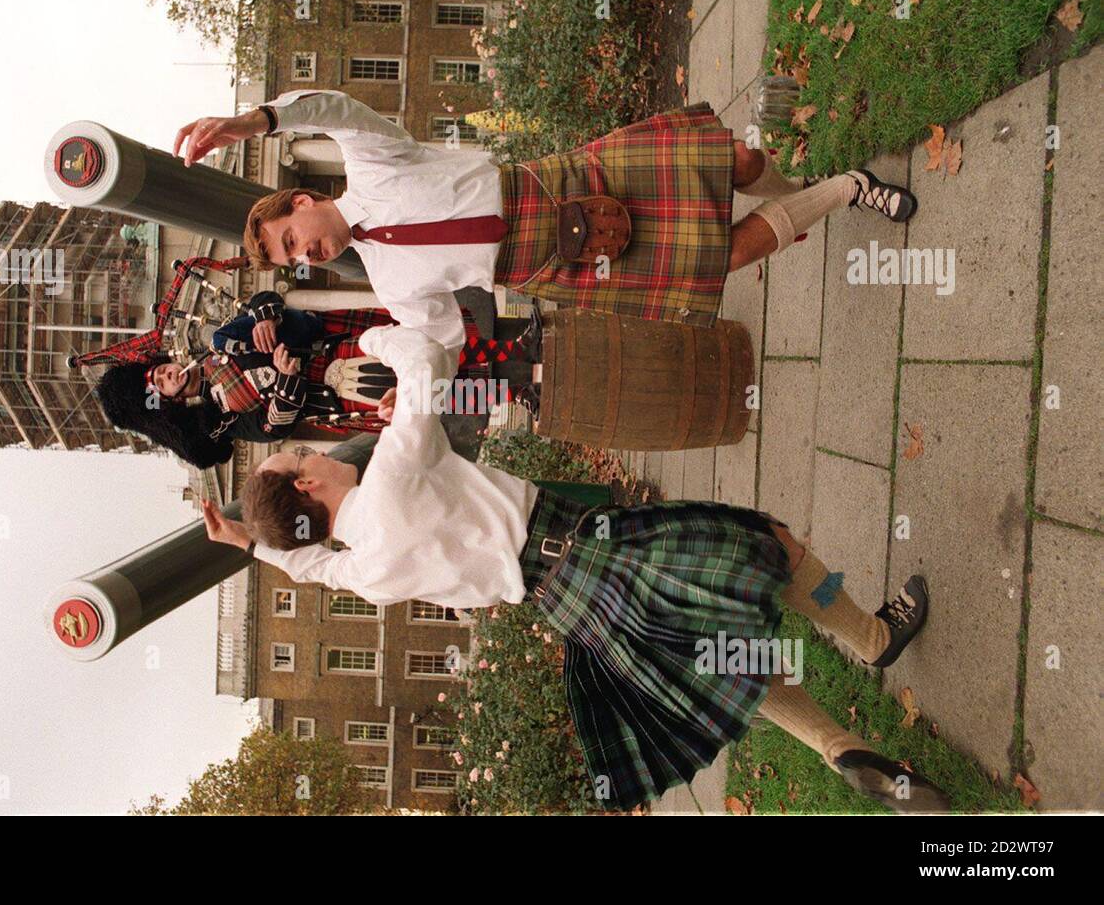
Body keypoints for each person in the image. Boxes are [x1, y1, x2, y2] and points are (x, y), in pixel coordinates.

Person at [200, 322, 947, 813]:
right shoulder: (391, 472)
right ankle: (873, 637)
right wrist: (370, 339)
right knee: (769, 545)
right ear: (305, 486)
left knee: (720, 660)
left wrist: (253, 544)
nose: (319, 451)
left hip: (567, 608)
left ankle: (839, 748)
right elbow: (425, 357)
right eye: (302, 454)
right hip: (592, 547)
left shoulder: (362, 569)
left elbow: (311, 570)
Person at [174, 90, 916, 354]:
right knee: (718, 260)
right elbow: (442, 335)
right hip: (561, 266)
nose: (307, 253)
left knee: (738, 165)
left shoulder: (373, 162)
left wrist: (253, 122)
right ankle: (848, 188)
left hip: (565, 186)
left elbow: (331, 106)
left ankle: (803, 183)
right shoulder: (387, 282)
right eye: (296, 261)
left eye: (294, 240)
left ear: (300, 204)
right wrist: (383, 346)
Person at [94, 291, 542, 467]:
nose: (167, 375)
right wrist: (286, 380)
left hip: (334, 349)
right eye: (160, 385)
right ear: (167, 403)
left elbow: (266, 303)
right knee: (428, 393)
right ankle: (517, 393)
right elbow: (273, 427)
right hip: (340, 397)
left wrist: (267, 318)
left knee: (429, 350)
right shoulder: (222, 416)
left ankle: (517, 349)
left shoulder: (218, 347)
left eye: (158, 370)